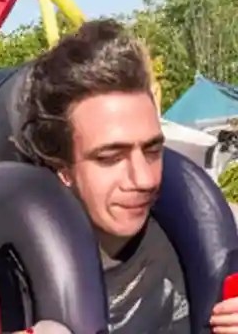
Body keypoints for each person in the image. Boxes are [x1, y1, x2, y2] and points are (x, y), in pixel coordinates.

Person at [13, 18, 238, 334]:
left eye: (152, 150)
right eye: (111, 158)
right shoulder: (13, 282)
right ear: (62, 168)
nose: (144, 179)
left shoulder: (189, 246)